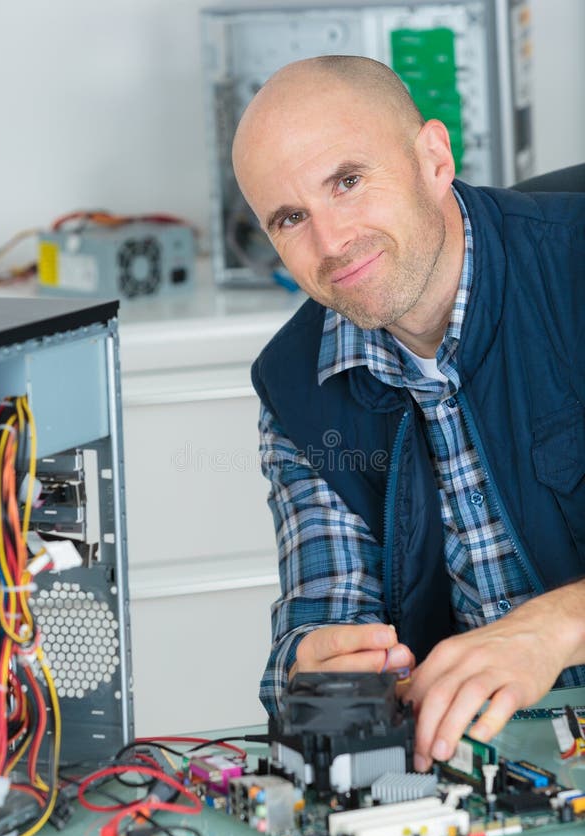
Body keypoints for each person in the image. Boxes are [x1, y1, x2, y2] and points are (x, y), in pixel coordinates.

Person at [231, 55, 585, 773]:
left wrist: (556, 627)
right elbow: (320, 620)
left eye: (349, 181)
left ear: (433, 157)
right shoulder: (297, 389)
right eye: (292, 218)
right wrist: (314, 664)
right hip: (496, 784)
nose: (332, 243)